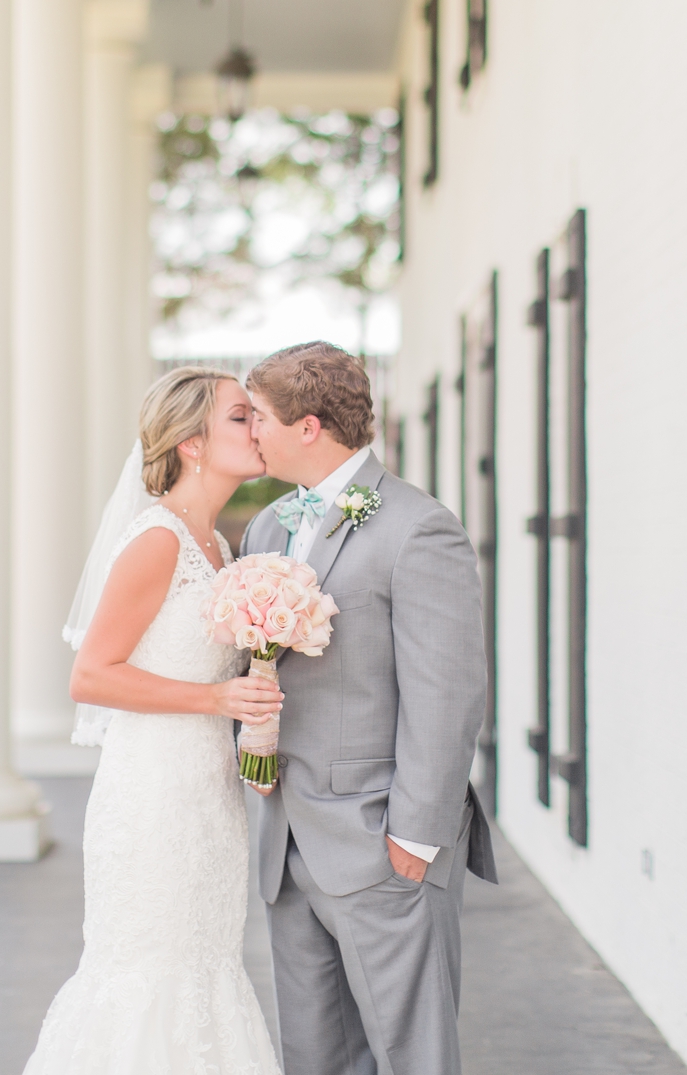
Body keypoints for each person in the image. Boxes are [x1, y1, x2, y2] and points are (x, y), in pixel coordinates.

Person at [240, 341, 495, 1075]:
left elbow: (448, 691)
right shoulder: (268, 526)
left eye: (258, 415)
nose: (249, 429)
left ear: (309, 426)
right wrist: (249, 745)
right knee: (315, 1057)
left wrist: (415, 838)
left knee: (411, 1055)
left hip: (383, 843)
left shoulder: (418, 526)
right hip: (286, 847)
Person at [21, 367, 285, 1075]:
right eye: (240, 416)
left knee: (205, 973)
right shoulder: (158, 540)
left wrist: (253, 728)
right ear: (193, 443)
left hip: (210, 798)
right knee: (150, 975)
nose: (258, 427)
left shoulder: (220, 548)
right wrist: (217, 702)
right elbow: (91, 674)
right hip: (152, 801)